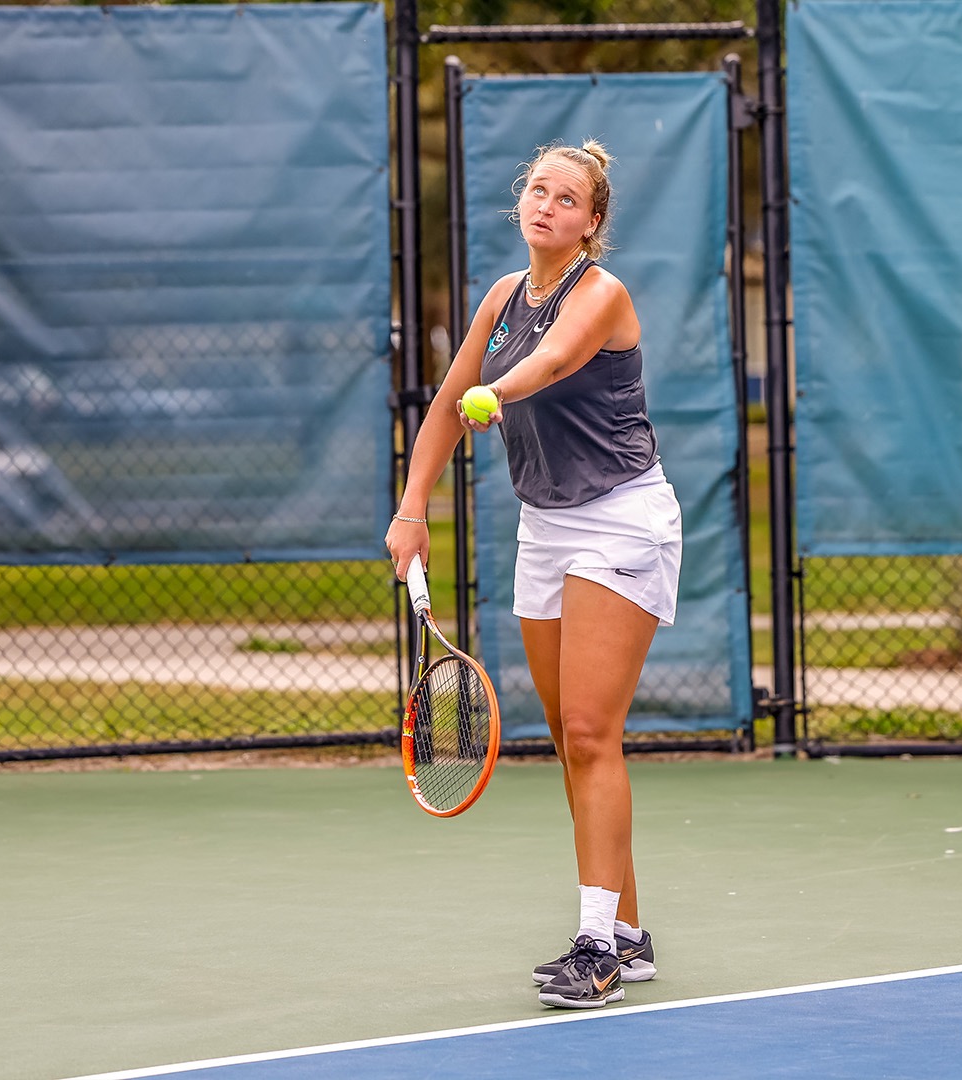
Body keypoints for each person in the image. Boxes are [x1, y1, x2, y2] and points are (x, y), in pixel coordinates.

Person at [385, 139, 681, 1010]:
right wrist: (412, 512)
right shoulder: (504, 298)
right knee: (569, 739)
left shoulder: (603, 294)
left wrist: (498, 393)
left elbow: (551, 365)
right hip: (545, 526)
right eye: (536, 191)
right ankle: (628, 930)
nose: (546, 204)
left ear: (591, 223)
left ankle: (597, 950)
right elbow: (445, 405)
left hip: (621, 520)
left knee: (591, 731)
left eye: (566, 197)